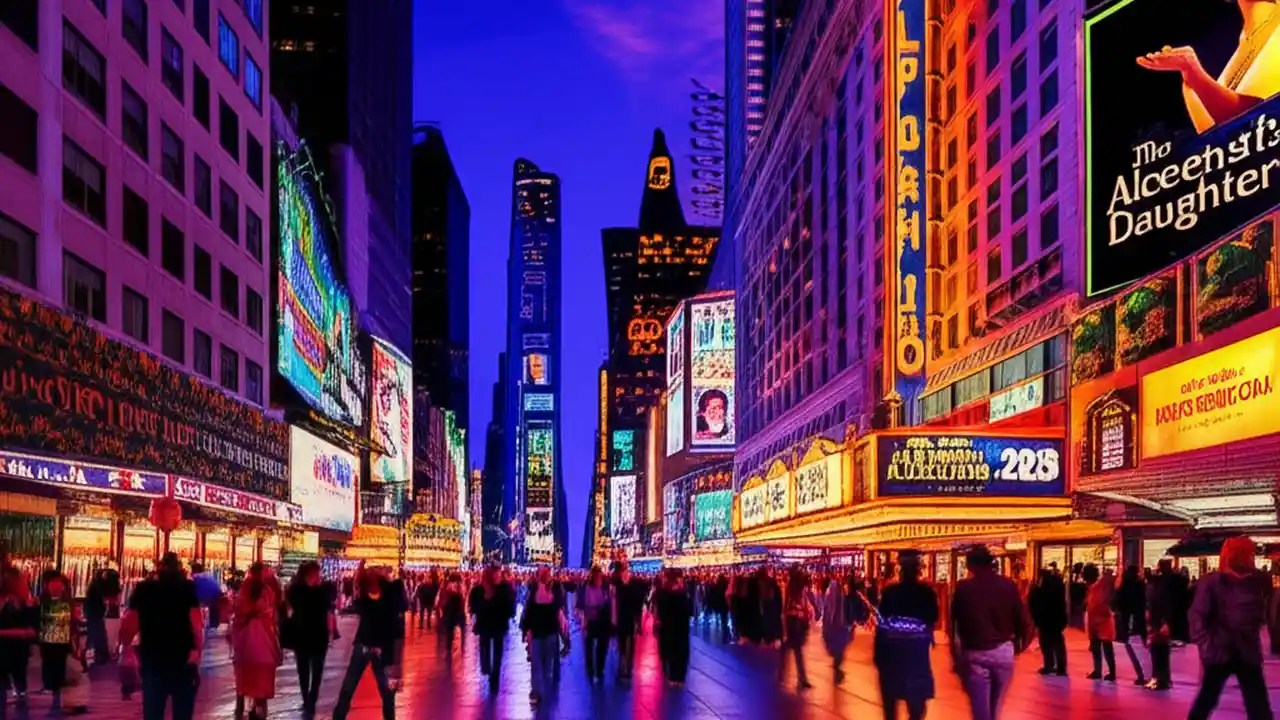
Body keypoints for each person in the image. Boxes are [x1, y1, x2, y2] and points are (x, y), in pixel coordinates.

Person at [1136, 0, 1280, 133]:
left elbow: (1265, 117)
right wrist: (1191, 79)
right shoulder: (1242, 43)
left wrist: (1193, 73)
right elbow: (1220, 145)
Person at [1187, 536, 1274, 720]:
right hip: (1231, 648)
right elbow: (1198, 616)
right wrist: (1208, 642)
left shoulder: (1256, 581)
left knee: (1251, 701)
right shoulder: (1217, 582)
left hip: (1234, 648)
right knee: (1252, 701)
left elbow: (1197, 615)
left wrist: (1206, 643)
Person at [950, 545, 1030, 720]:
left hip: (975, 652)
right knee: (996, 706)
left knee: (981, 712)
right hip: (1003, 650)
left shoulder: (963, 588)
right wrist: (1019, 645)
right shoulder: (1008, 585)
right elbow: (1023, 619)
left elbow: (954, 623)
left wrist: (955, 655)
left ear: (971, 565)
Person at [120, 552, 203, 720]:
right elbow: (197, 624)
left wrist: (126, 647)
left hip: (153, 660)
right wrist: (196, 653)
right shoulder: (187, 588)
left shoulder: (144, 589)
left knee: (153, 712)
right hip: (183, 660)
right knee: (183, 713)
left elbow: (130, 623)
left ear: (158, 568)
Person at [875, 550, 938, 720]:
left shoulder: (890, 593)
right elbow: (933, 619)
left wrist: (879, 656)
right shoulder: (927, 593)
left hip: (892, 656)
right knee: (916, 708)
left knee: (890, 706)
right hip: (917, 656)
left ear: (900, 569)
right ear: (918, 569)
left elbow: (882, 624)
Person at [333, 569, 398, 720]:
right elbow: (356, 586)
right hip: (363, 645)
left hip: (379, 649)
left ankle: (390, 717)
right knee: (349, 685)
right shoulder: (363, 599)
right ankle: (338, 716)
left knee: (386, 690)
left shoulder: (387, 600)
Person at [232, 563, 282, 720]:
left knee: (244, 679)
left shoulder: (244, 592)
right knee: (262, 683)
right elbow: (273, 618)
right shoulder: (268, 592)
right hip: (264, 644)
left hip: (245, 644)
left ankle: (241, 706)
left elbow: (238, 616)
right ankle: (259, 710)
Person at [286, 561, 335, 718]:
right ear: (310, 574)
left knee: (317, 671)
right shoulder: (297, 591)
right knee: (304, 671)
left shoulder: (321, 590)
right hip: (303, 635)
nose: (318, 576)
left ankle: (311, 699)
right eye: (316, 573)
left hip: (319, 636)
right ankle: (307, 699)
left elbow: (329, 604)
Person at [521, 566, 568, 705]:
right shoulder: (533, 591)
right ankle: (536, 691)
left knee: (546, 664)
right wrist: (526, 630)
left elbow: (559, 612)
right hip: (537, 632)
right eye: (542, 574)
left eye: (545, 574)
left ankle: (541, 691)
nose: (544, 576)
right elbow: (528, 612)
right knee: (537, 663)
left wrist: (564, 633)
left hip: (550, 632)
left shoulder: (555, 590)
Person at [37, 570, 78, 715]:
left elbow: (72, 621)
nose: (56, 585)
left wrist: (73, 640)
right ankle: (55, 695)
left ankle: (58, 699)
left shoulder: (65, 599)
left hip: (61, 641)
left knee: (59, 668)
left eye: (58, 582)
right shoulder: (43, 598)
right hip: (48, 640)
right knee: (50, 667)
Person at [469, 565, 515, 692]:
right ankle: (487, 669)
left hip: (497, 625)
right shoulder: (478, 590)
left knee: (496, 651)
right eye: (496, 574)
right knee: (486, 647)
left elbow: (509, 606)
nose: (498, 576)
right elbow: (473, 605)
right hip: (487, 624)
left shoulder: (502, 590)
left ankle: (494, 677)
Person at [0, 566, 36, 715]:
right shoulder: (8, 603)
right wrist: (16, 632)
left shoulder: (17, 603)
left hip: (13, 654)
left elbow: (31, 627)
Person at [654, 568, 693, 686]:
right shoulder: (683, 593)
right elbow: (689, 610)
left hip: (668, 628)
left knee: (669, 651)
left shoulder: (662, 593)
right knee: (680, 651)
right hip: (680, 628)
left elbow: (660, 610)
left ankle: (671, 675)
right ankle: (678, 677)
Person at [575, 565, 612, 683]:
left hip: (602, 621)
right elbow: (580, 605)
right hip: (590, 621)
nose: (598, 577)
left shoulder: (605, 587)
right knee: (589, 647)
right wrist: (583, 619)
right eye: (596, 575)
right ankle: (591, 670)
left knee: (601, 647)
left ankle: (599, 670)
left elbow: (610, 603)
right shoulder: (586, 588)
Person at [779, 570, 814, 691]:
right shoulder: (795, 590)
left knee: (789, 650)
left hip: (792, 622)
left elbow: (786, 608)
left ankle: (783, 676)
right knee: (795, 651)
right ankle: (801, 678)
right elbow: (790, 607)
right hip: (794, 622)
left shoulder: (792, 589)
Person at [1028, 568, 1068, 676]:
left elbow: (1034, 603)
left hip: (1045, 620)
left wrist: (1036, 620)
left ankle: (1049, 665)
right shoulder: (1058, 587)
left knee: (1046, 643)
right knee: (1058, 643)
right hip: (1056, 620)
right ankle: (1061, 667)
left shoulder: (1039, 590)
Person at [1081, 564, 1117, 682]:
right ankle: (1103, 671)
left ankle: (1105, 671)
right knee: (1101, 648)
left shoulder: (1098, 586)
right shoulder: (1093, 587)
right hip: (1098, 621)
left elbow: (1098, 603)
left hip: (1102, 621)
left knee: (1104, 648)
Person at [1145, 559, 1177, 690]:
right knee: (1160, 650)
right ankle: (1161, 678)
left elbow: (1161, 602)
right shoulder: (1169, 581)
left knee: (1158, 650)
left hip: (1160, 620)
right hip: (1161, 620)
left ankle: (1160, 678)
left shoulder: (1163, 583)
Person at [1114, 565, 1148, 686]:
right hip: (1137, 620)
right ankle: (1144, 674)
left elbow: (1118, 601)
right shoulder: (1139, 585)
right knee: (1141, 649)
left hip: (1128, 620)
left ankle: (1141, 674)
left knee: (1133, 648)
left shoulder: (1124, 585)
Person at [611, 562, 645, 680]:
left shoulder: (632, 585)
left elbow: (637, 604)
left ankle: (627, 668)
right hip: (621, 618)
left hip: (628, 619)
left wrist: (637, 620)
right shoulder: (616, 585)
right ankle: (623, 666)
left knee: (629, 644)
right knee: (622, 644)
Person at [820, 574, 852, 684]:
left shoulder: (835, 592)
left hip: (837, 626)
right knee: (839, 651)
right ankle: (837, 673)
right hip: (837, 626)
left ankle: (837, 672)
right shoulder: (836, 591)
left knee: (839, 650)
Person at [84, 567, 119, 665]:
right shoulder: (101, 583)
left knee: (95, 631)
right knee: (97, 631)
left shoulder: (98, 580)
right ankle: (99, 654)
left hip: (94, 611)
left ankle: (96, 654)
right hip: (94, 611)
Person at [436, 572, 467, 656]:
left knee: (450, 632)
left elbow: (441, 600)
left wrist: (441, 610)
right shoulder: (460, 588)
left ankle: (449, 649)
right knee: (460, 630)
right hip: (457, 613)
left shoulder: (446, 587)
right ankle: (461, 647)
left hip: (450, 613)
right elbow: (462, 601)